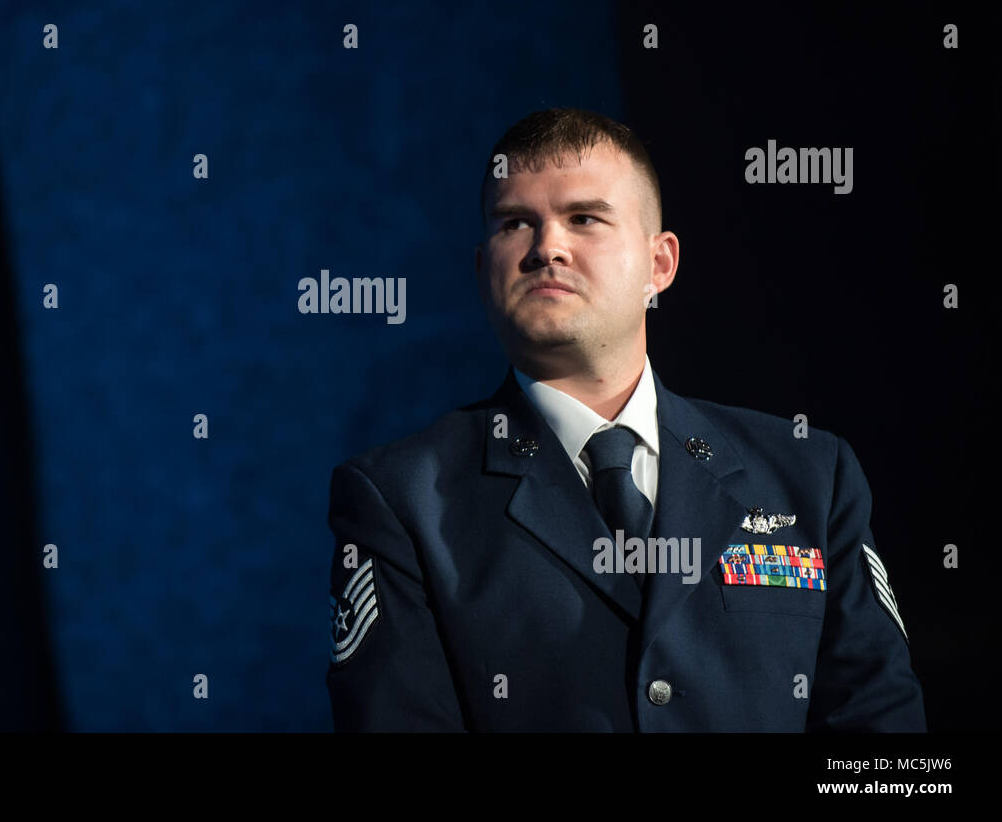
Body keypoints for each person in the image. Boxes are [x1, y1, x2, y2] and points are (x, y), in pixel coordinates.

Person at [325, 108, 926, 731]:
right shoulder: (401, 498)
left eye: (583, 218)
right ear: (483, 271)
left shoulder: (809, 473)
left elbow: (882, 740)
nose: (546, 247)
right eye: (515, 223)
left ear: (659, 266)